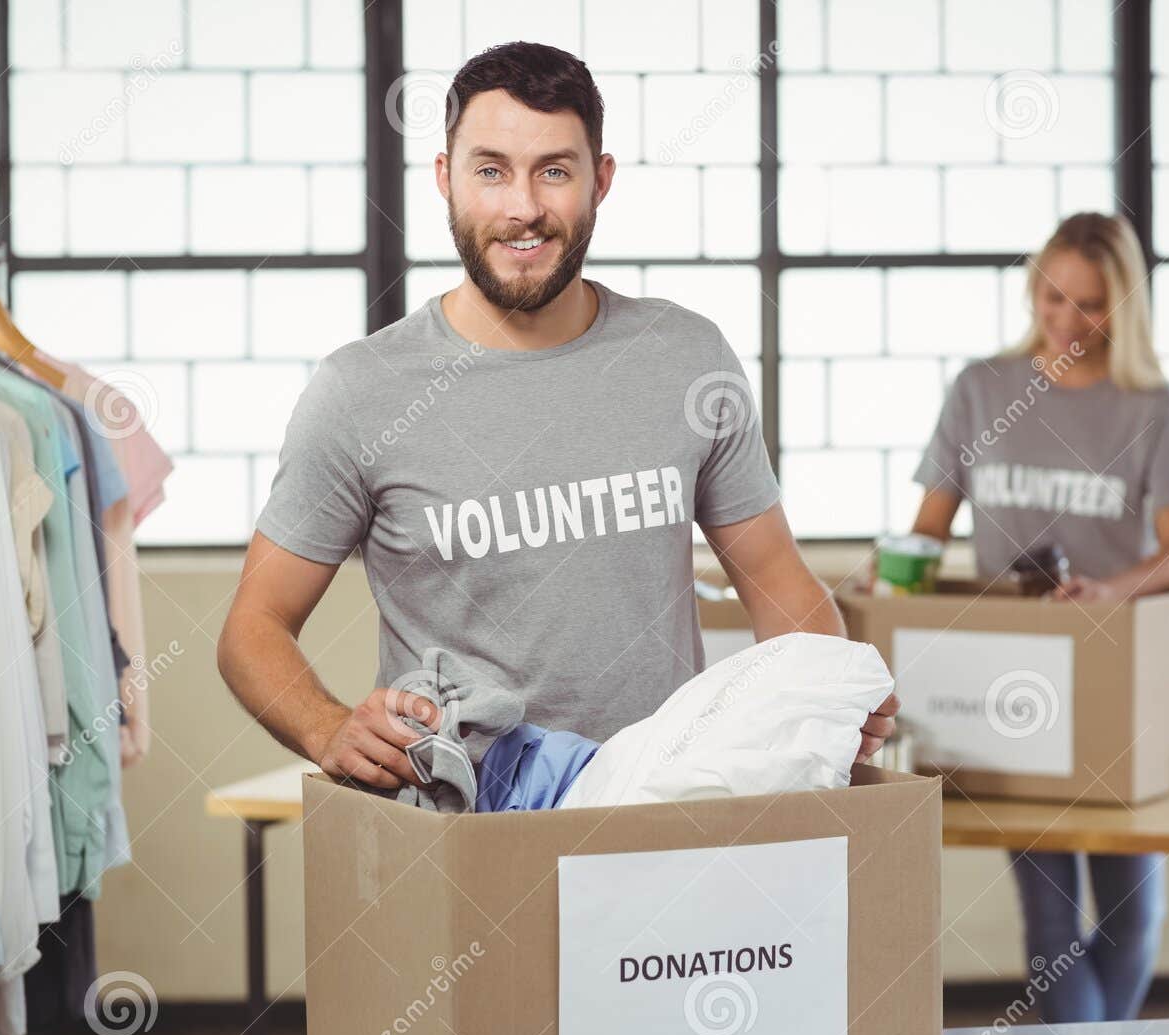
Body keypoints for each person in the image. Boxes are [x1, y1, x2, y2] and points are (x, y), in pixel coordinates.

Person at [218, 41, 897, 793]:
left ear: (599, 181)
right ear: (445, 179)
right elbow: (253, 628)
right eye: (490, 170)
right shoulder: (361, 391)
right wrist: (325, 725)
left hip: (662, 815)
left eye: (555, 170)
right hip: (462, 830)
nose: (523, 208)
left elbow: (777, 580)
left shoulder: (686, 357)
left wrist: (829, 692)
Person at [909, 211, 1169, 1022]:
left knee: (1133, 911)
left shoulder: (1153, 408)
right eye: (1052, 296)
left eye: (1090, 304)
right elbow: (925, 536)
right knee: (1049, 918)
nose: (1066, 320)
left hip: (1114, 683)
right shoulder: (982, 389)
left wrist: (1115, 589)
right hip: (1012, 683)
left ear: (1123, 307)